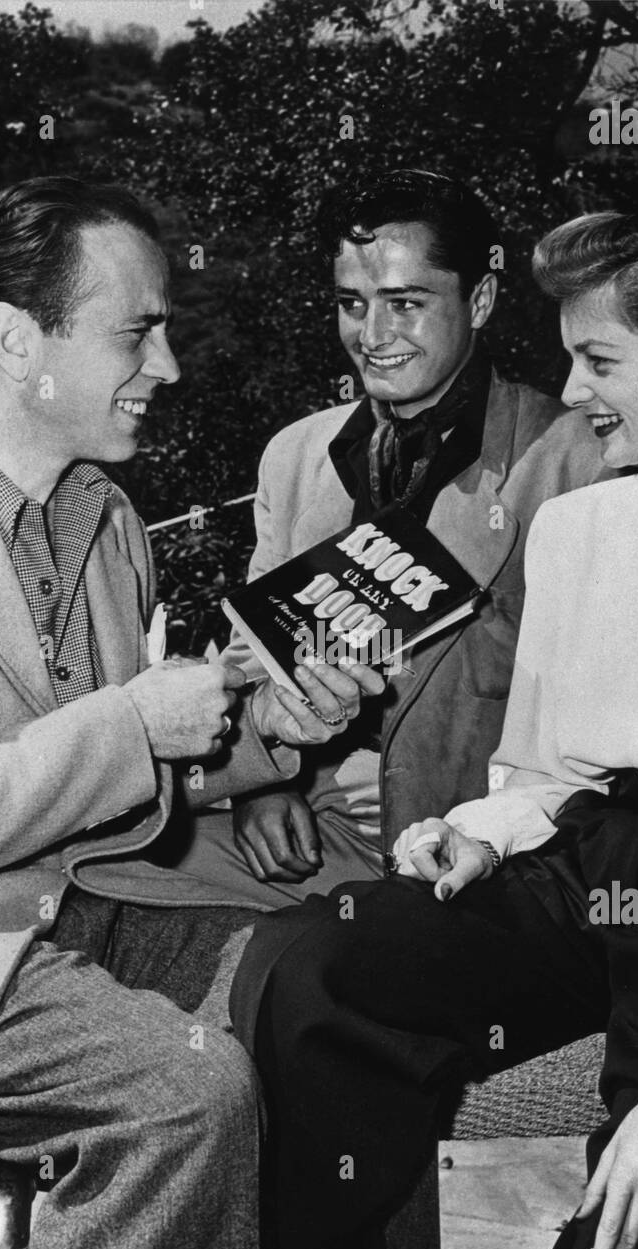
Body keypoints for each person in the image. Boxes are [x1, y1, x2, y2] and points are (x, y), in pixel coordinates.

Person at [229, 211, 638, 1249]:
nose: (572, 392)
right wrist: (476, 837)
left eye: (601, 362)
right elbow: (540, 770)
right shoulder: (574, 531)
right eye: (570, 359)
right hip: (582, 864)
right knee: (313, 968)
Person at [0, 176, 382, 1249]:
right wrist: (132, 720)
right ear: (13, 338)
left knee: (349, 1010)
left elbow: (126, 785)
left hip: (93, 906)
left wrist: (266, 731)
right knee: (186, 1096)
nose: (167, 366)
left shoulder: (106, 516)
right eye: (136, 333)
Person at [155, 169, 604, 910]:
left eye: (405, 304)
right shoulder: (294, 456)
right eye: (351, 304)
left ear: (480, 301)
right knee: (104, 867)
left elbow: (594, 732)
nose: (371, 337)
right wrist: (261, 786)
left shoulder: (579, 463)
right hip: (312, 824)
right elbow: (248, 660)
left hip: (471, 847)